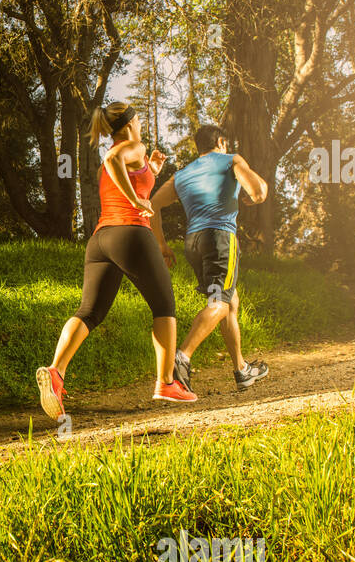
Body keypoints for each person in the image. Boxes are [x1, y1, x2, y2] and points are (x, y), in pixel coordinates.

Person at [36, 102, 197, 422]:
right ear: (130, 123)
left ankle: (56, 371)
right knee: (165, 306)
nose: (141, 124)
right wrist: (138, 199)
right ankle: (166, 382)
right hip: (131, 235)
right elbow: (114, 160)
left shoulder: (133, 155)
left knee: (89, 312)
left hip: (100, 241)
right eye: (139, 118)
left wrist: (150, 170)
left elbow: (123, 173)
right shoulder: (130, 146)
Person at [148, 124, 269, 392]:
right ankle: (182, 357)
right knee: (220, 301)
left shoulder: (184, 173)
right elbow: (259, 192)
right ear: (222, 142)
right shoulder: (230, 160)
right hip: (220, 239)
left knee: (228, 299)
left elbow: (153, 204)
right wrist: (253, 194)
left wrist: (162, 245)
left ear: (199, 148)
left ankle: (241, 369)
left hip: (194, 244)